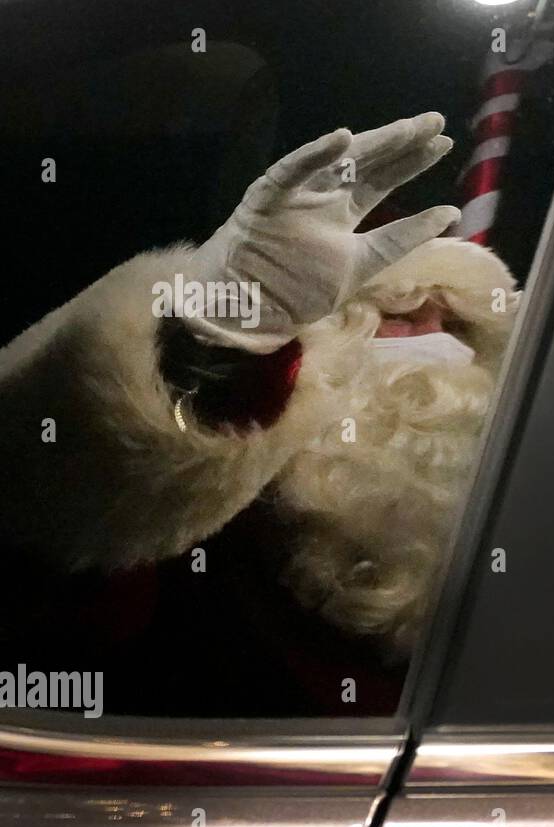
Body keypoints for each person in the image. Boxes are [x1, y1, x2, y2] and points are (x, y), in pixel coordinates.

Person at [0, 114, 520, 715]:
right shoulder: (206, 532)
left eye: (459, 329)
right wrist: (222, 343)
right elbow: (48, 535)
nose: (435, 348)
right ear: (330, 352)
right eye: (397, 316)